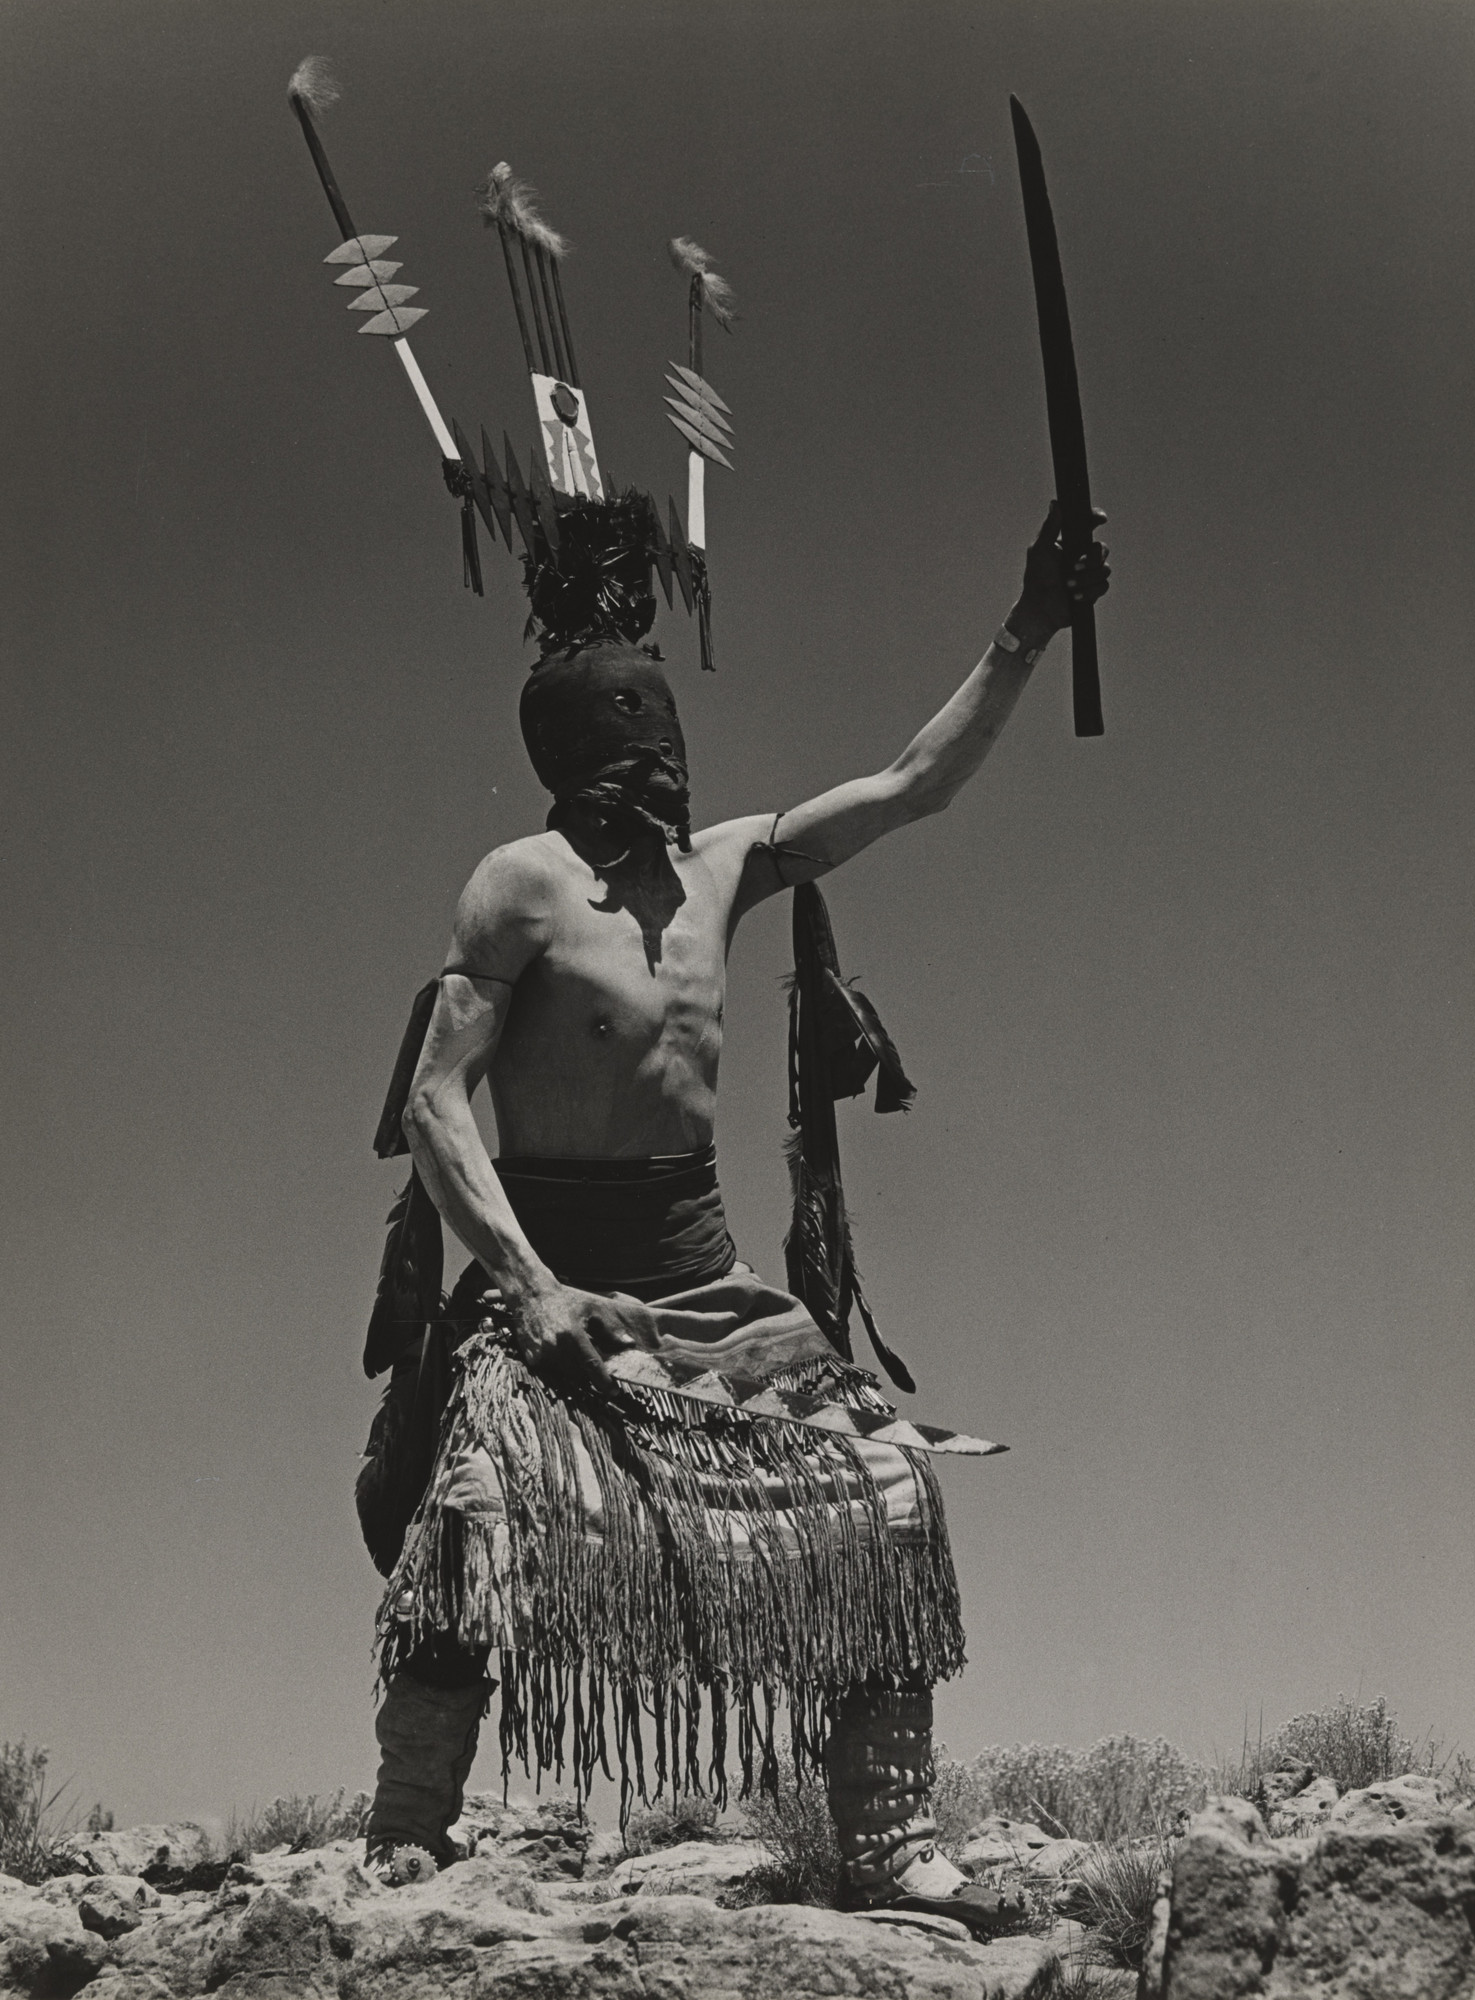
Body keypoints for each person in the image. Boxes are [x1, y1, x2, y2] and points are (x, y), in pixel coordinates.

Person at [357, 502, 1109, 1925]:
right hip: (549, 1273)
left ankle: (886, 1838)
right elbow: (436, 1104)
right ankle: (409, 1823)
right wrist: (529, 1285)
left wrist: (1027, 627)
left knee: (889, 1491)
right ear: (568, 771)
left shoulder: (729, 866)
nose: (654, 777)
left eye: (666, 750)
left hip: (705, 1281)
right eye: (622, 755)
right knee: (472, 1510)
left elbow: (905, 784)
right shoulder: (517, 886)